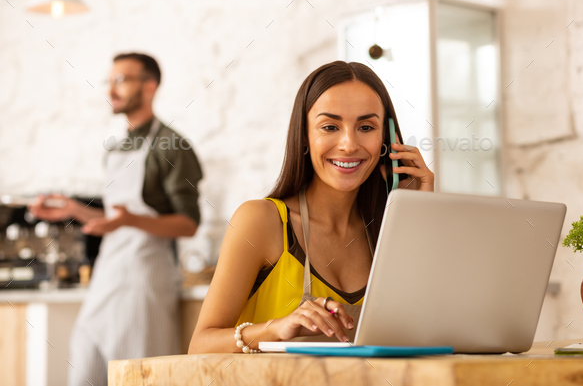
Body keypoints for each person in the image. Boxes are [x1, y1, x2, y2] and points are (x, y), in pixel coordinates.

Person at [188, 61, 434, 354]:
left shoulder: (390, 231)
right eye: (330, 127)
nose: (348, 144)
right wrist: (276, 328)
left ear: (387, 141)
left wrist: (418, 210)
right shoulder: (261, 221)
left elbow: (431, 334)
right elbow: (200, 346)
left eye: (366, 127)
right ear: (304, 136)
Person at [29, 53, 203, 385]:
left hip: (144, 280)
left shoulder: (172, 147)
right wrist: (73, 210)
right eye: (110, 81)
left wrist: (128, 222)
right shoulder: (116, 147)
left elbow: (188, 223)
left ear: (149, 87)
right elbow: (114, 218)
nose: (112, 89)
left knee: (137, 373)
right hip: (107, 276)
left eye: (121, 80)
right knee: (85, 363)